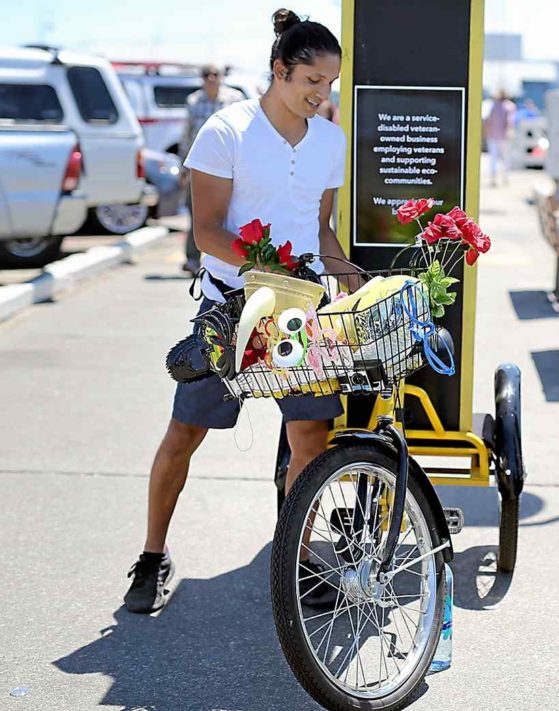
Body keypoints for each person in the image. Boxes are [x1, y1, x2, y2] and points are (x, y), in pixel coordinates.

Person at [124, 8, 360, 614]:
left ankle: (298, 559)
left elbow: (321, 227)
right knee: (185, 435)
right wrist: (271, 266)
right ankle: (153, 555)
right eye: (312, 81)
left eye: (330, 85)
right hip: (231, 311)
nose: (321, 95)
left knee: (311, 436)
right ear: (280, 70)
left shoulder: (330, 139)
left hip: (302, 314)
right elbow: (206, 232)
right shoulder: (226, 131)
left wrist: (348, 275)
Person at [179, 64, 245, 276]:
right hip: (200, 166)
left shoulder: (234, 99)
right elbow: (187, 135)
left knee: (229, 215)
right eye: (206, 75)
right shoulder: (194, 102)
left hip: (230, 166)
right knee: (198, 215)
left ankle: (229, 259)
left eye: (215, 75)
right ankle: (192, 259)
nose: (211, 79)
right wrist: (184, 166)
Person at [484, 90, 516, 186]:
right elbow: (510, 121)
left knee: (493, 158)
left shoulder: (493, 106)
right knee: (505, 158)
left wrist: (486, 132)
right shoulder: (510, 106)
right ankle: (505, 178)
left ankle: (494, 179)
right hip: (504, 136)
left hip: (493, 135)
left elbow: (487, 120)